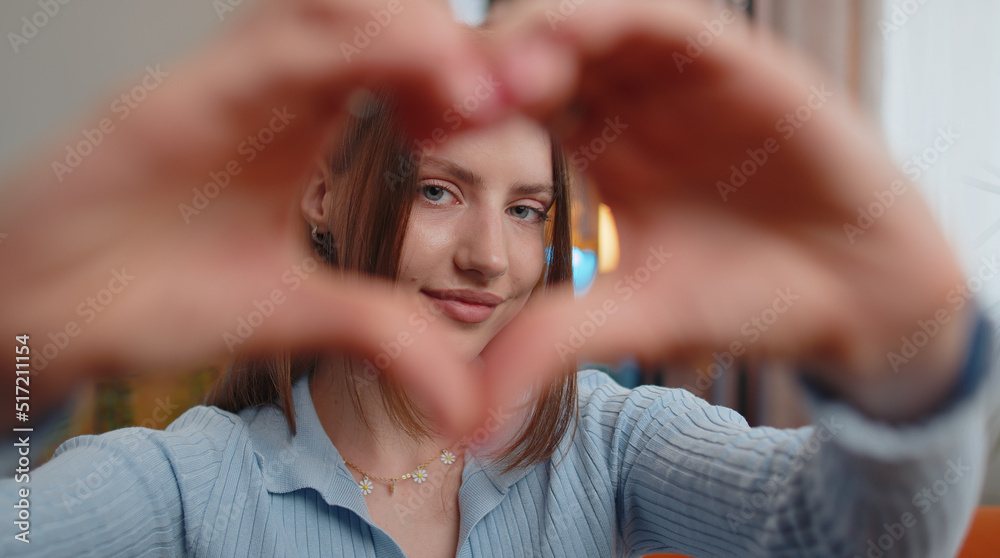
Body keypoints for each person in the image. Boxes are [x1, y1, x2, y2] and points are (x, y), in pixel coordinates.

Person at [0, 0, 996, 556]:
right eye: (439, 192)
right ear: (319, 197)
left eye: (529, 211)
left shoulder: (610, 443)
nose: (491, 258)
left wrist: (912, 350)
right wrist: (12, 354)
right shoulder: (193, 480)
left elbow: (860, 539)